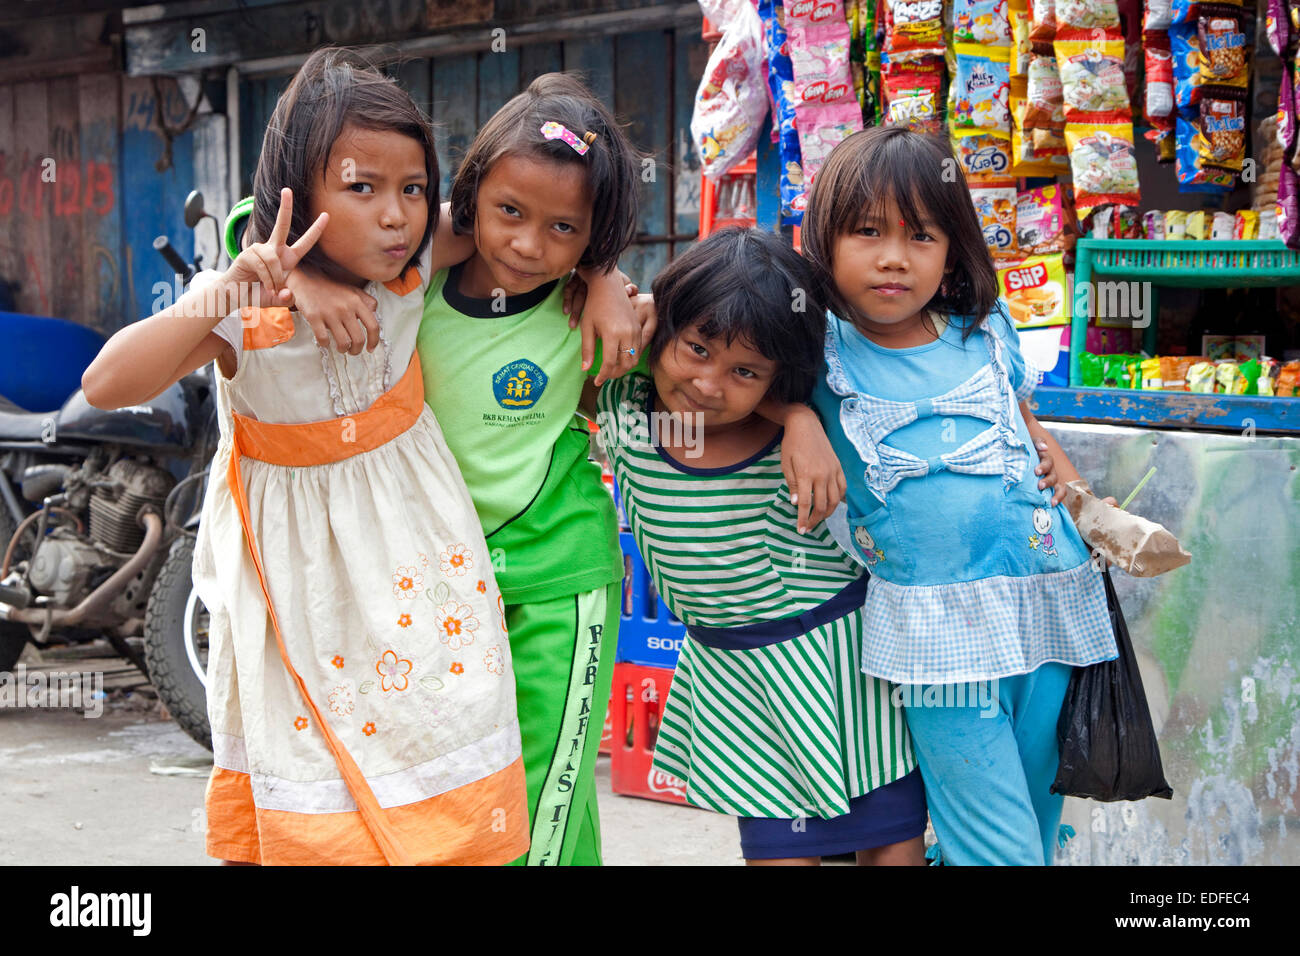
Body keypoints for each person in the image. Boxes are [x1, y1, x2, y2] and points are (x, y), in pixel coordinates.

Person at [81, 48, 533, 865]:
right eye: (361, 189)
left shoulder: (416, 262)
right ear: (295, 192)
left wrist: (603, 275)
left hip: (415, 573)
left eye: (412, 187)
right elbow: (108, 380)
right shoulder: (241, 311)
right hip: (295, 585)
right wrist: (231, 286)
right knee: (313, 778)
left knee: (446, 736)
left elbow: (524, 221)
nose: (396, 215)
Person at [273, 73, 646, 866]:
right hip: (437, 585)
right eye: (509, 212)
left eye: (564, 230)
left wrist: (607, 277)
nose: (527, 244)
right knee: (461, 783)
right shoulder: (416, 275)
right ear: (471, 194)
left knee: (547, 780)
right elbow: (264, 221)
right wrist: (297, 275)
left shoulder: (582, 308)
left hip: (556, 577)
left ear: (594, 238)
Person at [801, 125, 1119, 865]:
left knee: (1038, 826)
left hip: (1049, 607)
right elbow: (704, 360)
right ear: (824, 241)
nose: (893, 257)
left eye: (921, 235)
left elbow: (1031, 437)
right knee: (997, 847)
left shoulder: (984, 331)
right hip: (938, 638)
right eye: (867, 232)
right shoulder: (814, 349)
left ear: (951, 250)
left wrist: (1093, 511)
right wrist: (792, 419)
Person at [593, 227, 934, 864]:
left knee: (891, 841)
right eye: (695, 348)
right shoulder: (627, 409)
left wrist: (800, 418)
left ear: (778, 379)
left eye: (744, 371)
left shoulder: (801, 445)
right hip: (738, 683)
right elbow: (591, 321)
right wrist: (607, 287)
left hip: (844, 669)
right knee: (779, 848)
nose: (708, 383)